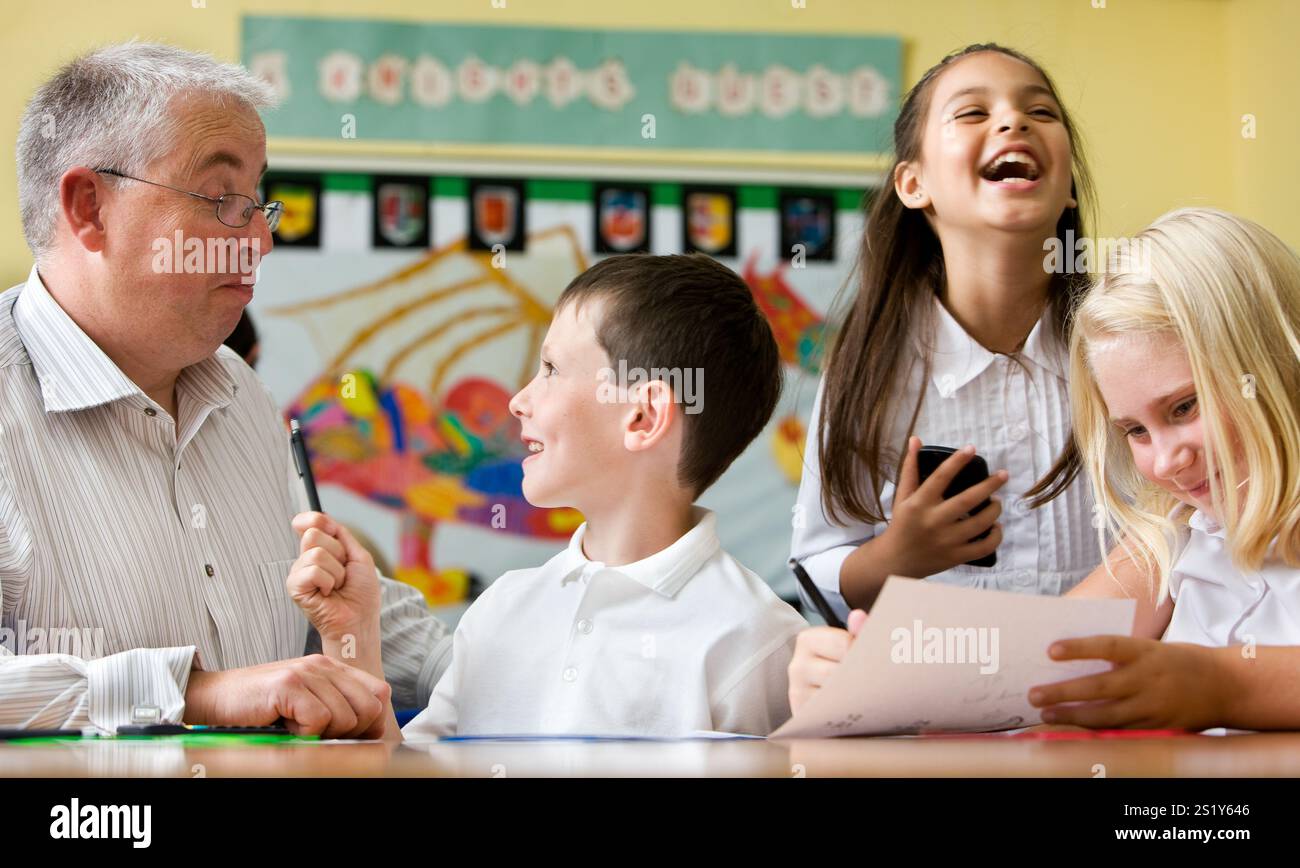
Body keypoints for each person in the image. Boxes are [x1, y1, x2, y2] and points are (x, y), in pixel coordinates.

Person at [0, 43, 449, 737]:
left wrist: (557, 662)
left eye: (257, 202)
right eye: (221, 200)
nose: (261, 243)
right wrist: (196, 693)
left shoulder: (240, 394)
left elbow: (327, 605)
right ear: (89, 207)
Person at [791, 208, 1300, 731]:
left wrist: (1219, 684)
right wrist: (864, 676)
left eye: (1185, 407)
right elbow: (1037, 656)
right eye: (1136, 432)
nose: (1168, 461)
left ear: (1274, 363)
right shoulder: (1174, 537)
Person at [290, 254, 808, 740]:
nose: (518, 400)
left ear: (643, 417)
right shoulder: (503, 609)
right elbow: (409, 773)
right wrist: (351, 635)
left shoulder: (756, 641)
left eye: (552, 370)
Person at [790, 44, 1101, 621]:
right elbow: (822, 566)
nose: (1014, 121)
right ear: (913, 185)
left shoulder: (1129, 342)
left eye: (1042, 112)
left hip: (1113, 699)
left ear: (1069, 188)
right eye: (973, 113)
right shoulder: (869, 366)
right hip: (931, 704)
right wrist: (897, 556)